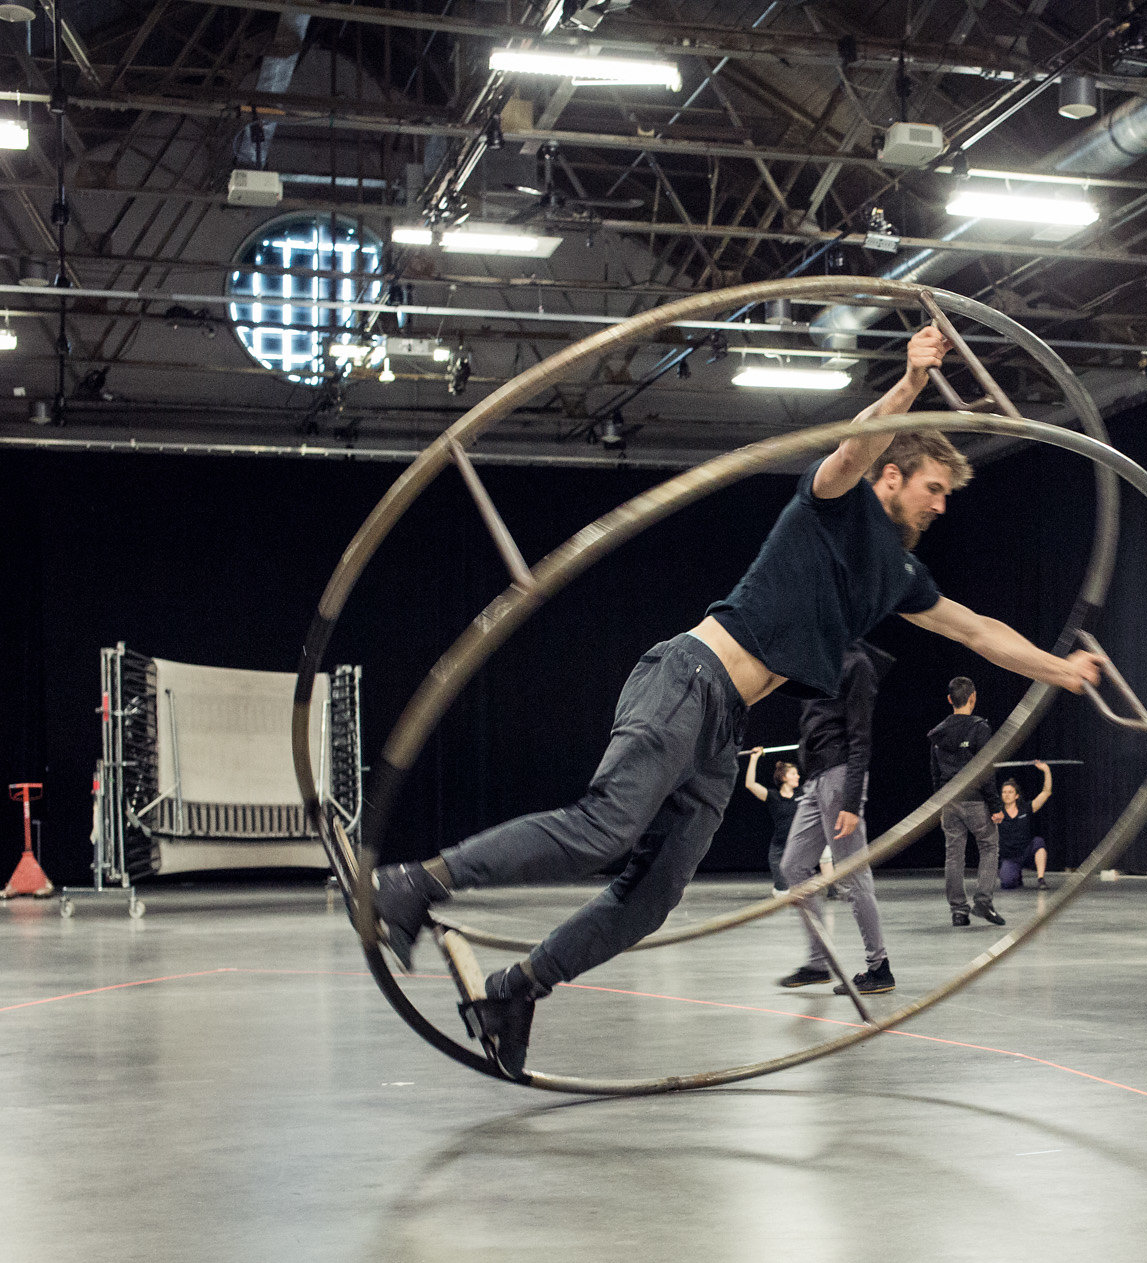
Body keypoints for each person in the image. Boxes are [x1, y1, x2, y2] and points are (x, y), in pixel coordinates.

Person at [368, 325, 1103, 1080]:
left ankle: (514, 993)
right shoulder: (834, 501)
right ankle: (414, 884)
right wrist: (912, 383)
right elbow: (854, 443)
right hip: (687, 678)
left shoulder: (900, 576)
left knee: (653, 896)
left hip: (720, 727)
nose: (942, 505)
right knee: (604, 831)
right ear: (892, 475)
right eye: (933, 489)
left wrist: (1061, 669)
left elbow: (979, 631)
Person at [775, 640, 896, 994]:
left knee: (852, 874)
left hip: (840, 776)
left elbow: (861, 738)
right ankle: (817, 963)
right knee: (793, 866)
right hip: (815, 779)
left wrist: (852, 800)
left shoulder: (856, 664)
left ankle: (880, 967)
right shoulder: (816, 665)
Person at [928, 676, 1004, 927]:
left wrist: (940, 805)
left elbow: (936, 773)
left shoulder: (938, 733)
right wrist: (995, 806)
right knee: (989, 847)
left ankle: (958, 911)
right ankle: (983, 901)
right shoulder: (980, 727)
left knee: (954, 855)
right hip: (975, 800)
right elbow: (986, 770)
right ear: (973, 698)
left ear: (950, 700)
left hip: (949, 801)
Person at [741, 747, 801, 894]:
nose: (798, 776)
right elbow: (750, 784)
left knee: (800, 889)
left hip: (798, 846)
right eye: (793, 773)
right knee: (783, 890)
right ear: (784, 777)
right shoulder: (773, 796)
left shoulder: (803, 794)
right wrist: (754, 759)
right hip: (779, 847)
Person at [994, 762, 1052, 890]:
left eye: (1010, 792)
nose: (1006, 794)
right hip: (1010, 857)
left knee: (1038, 842)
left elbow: (1046, 792)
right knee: (1007, 884)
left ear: (1016, 795)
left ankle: (1041, 879)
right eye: (1004, 792)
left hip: (1026, 852)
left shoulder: (1026, 808)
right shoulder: (997, 812)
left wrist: (1046, 770)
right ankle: (1016, 875)